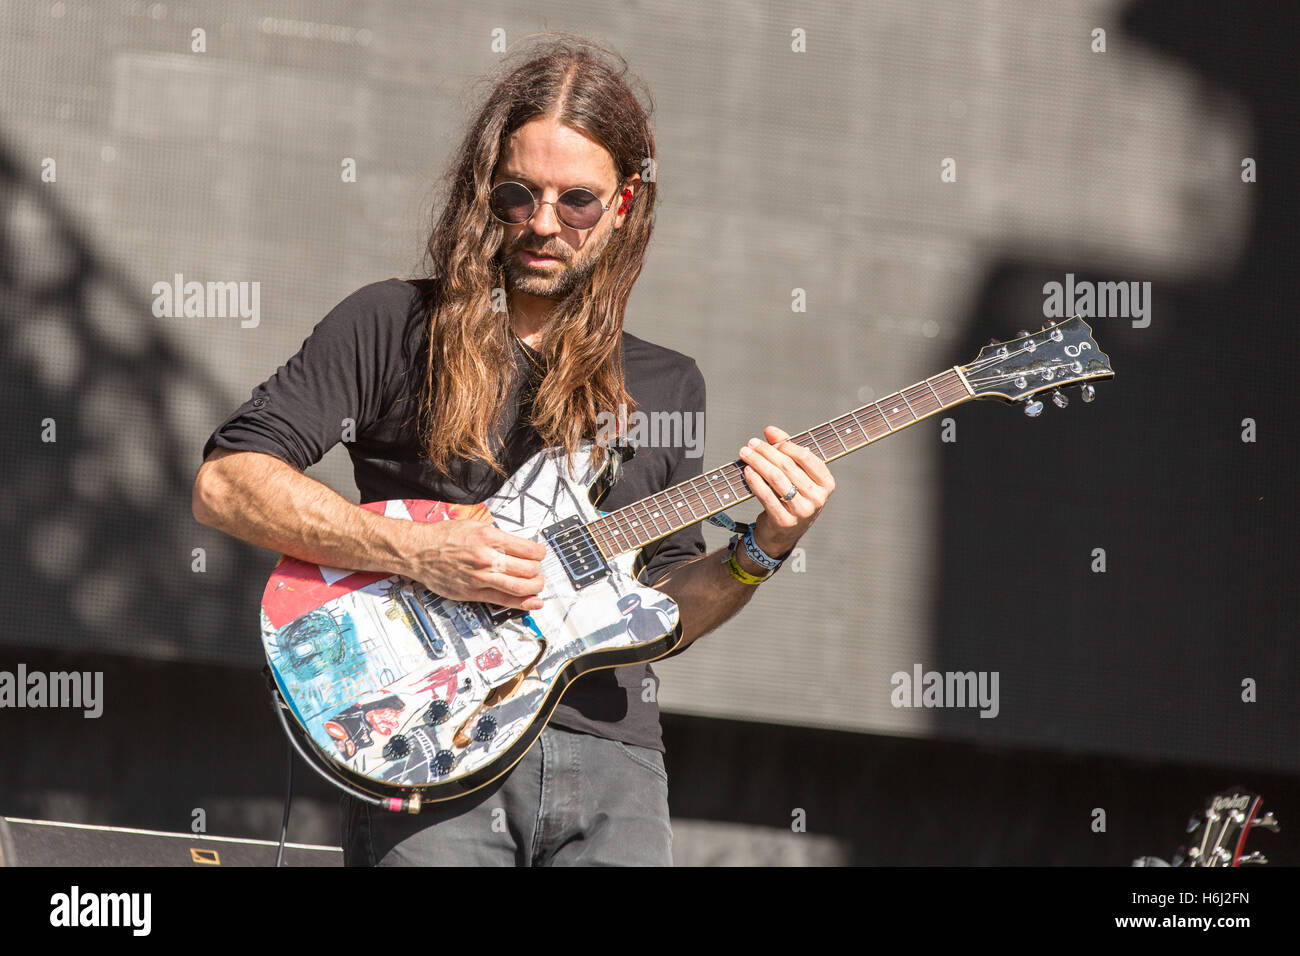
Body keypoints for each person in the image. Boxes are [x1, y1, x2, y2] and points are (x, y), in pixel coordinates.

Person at [191, 36, 836, 866]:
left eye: (577, 201)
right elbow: (227, 482)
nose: (542, 223)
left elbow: (668, 607)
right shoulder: (390, 325)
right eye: (516, 194)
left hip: (615, 761)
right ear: (480, 189)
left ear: (624, 205)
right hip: (436, 745)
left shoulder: (668, 383)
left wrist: (763, 547)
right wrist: (422, 551)